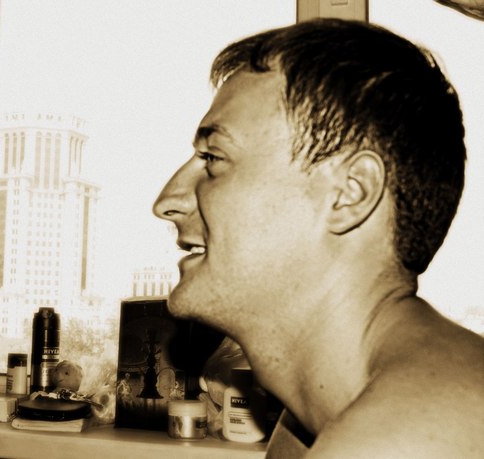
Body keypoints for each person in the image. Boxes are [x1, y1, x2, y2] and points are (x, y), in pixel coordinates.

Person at [153, 18, 484, 458]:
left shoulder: (396, 441)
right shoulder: (312, 421)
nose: (167, 202)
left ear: (350, 194)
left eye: (213, 157)